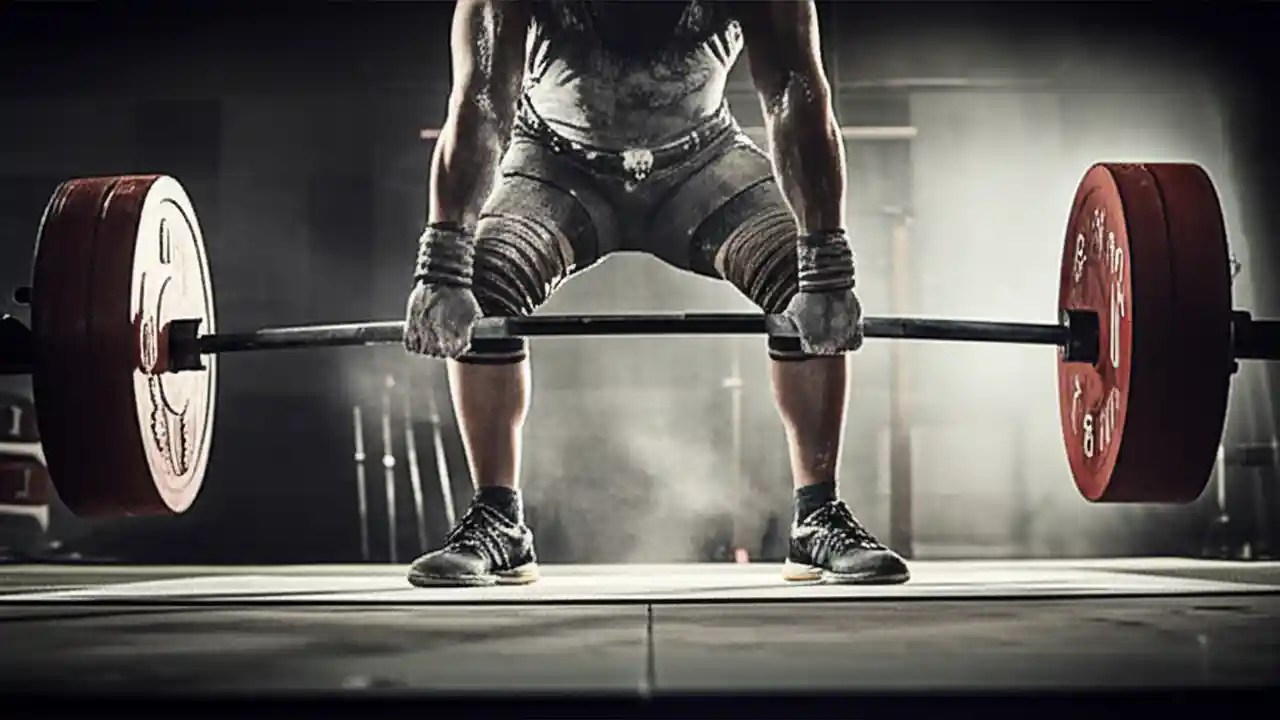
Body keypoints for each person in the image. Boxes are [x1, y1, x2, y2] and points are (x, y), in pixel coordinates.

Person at [402, 0, 910, 586]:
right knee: (482, 285)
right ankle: (498, 522)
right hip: (557, 168)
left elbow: (795, 93)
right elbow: (482, 104)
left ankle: (817, 516)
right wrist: (444, 264)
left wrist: (825, 263)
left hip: (702, 166)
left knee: (803, 278)